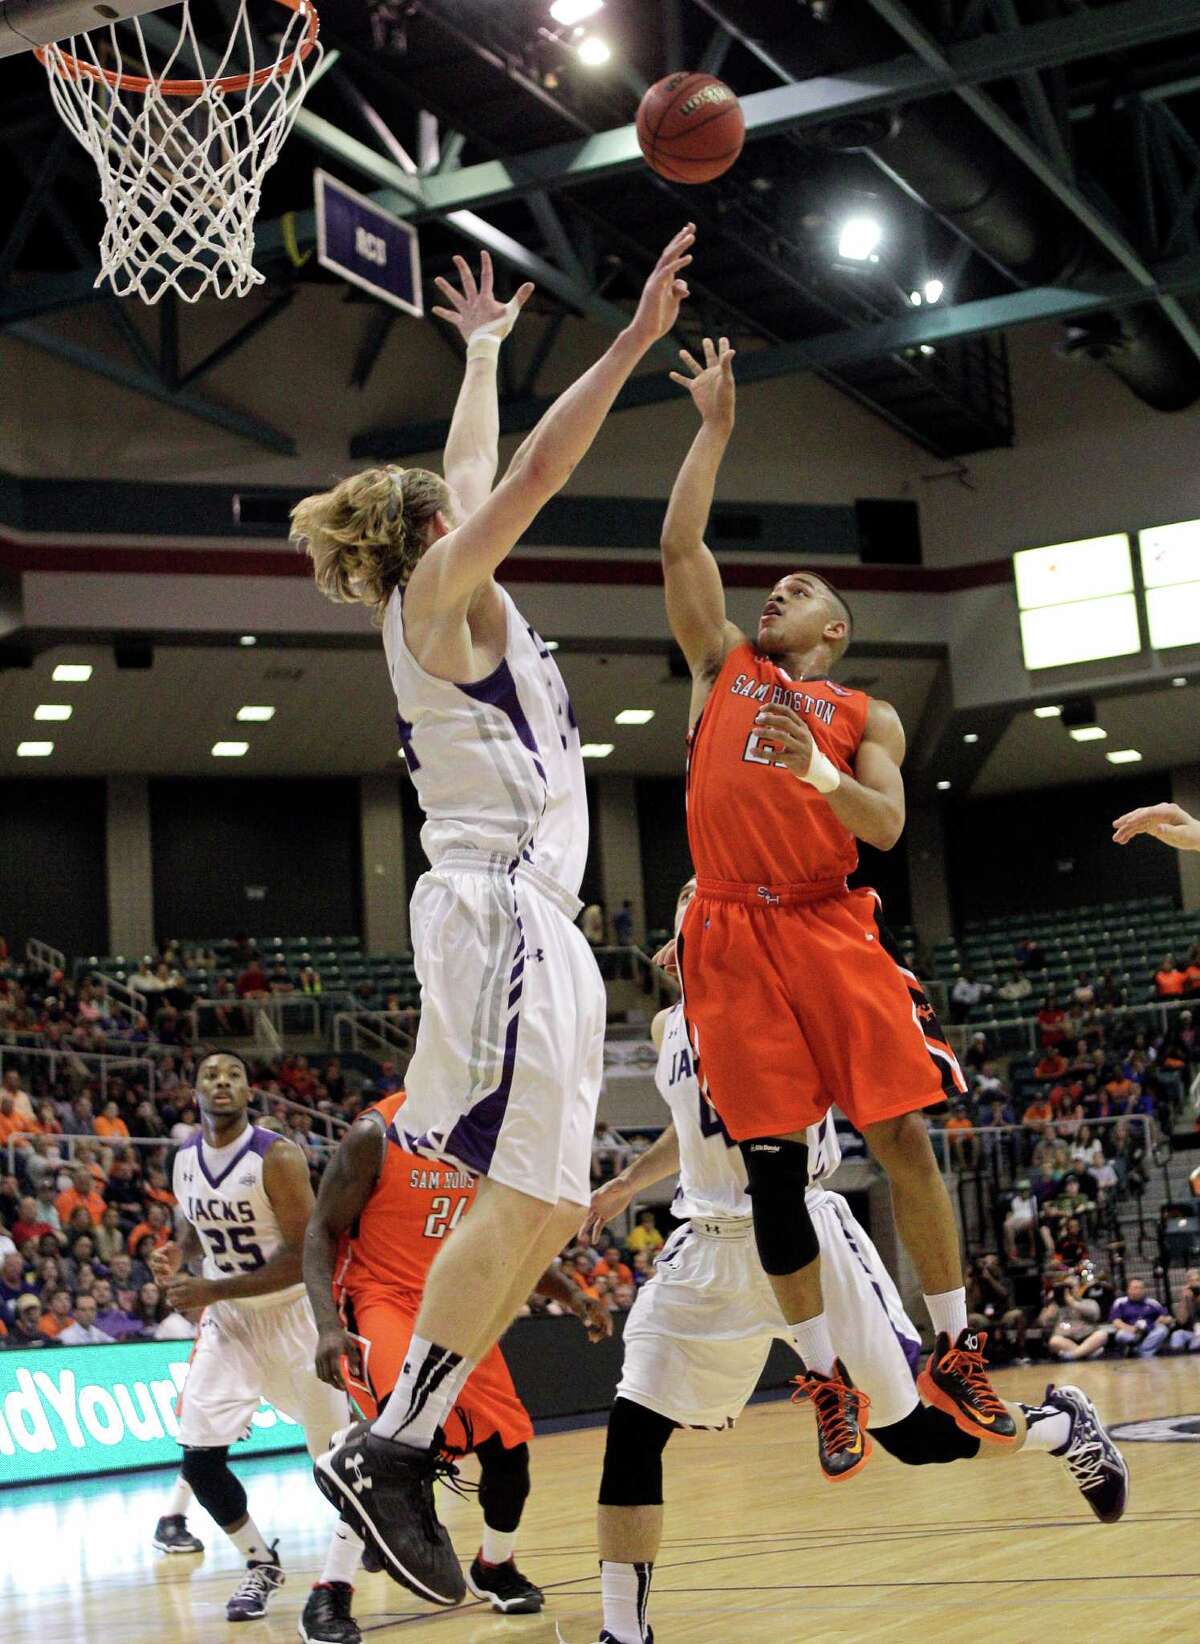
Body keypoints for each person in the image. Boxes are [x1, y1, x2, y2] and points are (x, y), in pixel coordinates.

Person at [291, 229, 696, 1603]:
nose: (463, 504)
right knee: (522, 1191)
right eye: (441, 505)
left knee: (548, 1205)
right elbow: (525, 474)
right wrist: (631, 342)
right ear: (421, 534)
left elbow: (477, 465)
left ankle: (397, 1444)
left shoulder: (457, 588)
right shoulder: (438, 596)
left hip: (533, 924)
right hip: (495, 911)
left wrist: (477, 350)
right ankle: (394, 1446)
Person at [583, 885, 1127, 1644]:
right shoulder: (669, 1022)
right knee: (633, 1427)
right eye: (683, 898)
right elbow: (692, 1125)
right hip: (704, 1246)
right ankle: (623, 1632)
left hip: (808, 1234)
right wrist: (625, 1185)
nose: (694, 905)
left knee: (911, 1437)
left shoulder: (784, 993)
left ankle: (1063, 1430)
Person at [655, 339, 991, 1481]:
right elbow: (680, 544)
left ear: (835, 630)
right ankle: (823, 1375)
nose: (776, 595)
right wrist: (713, 431)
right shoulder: (721, 665)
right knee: (769, 1171)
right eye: (775, 589)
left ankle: (953, 1344)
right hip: (731, 934)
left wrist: (818, 779)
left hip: (825, 919)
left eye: (802, 593)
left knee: (901, 1132)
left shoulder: (865, 711)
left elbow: (886, 830)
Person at [304, 1088, 611, 1624]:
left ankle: (495, 1565)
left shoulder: (492, 1133)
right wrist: (328, 1325)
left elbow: (508, 1241)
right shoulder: (374, 1134)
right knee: (395, 1445)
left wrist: (574, 1295)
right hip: (381, 1298)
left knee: (510, 1449)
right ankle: (330, 1591)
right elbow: (320, 1229)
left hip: (459, 1301)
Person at [148, 1052, 359, 1630]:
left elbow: (308, 1256)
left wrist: (212, 1287)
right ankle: (260, 1563)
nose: (221, 1082)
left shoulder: (277, 1156)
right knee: (198, 1457)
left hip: (295, 1321)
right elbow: (193, 1228)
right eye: (210, 1074)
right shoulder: (184, 1157)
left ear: (248, 1091)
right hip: (232, 1324)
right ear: (193, 1089)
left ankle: (378, 1532)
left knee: (335, 1464)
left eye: (233, 1075)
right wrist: (179, 1254)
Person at [1040, 1273, 1109, 1361]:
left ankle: (1073, 1355)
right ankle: (1087, 1353)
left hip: (1087, 1336)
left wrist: (1073, 1303)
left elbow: (1096, 1315)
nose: (1069, 1291)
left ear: (1078, 1288)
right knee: (1054, 1341)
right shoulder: (1056, 1305)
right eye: (1067, 1288)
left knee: (1102, 1335)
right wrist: (1049, 1306)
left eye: (1072, 1287)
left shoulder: (1088, 1302)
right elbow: (1044, 1323)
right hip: (1066, 1338)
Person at [1109, 1278, 1171, 1358]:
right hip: (1130, 1332)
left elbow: (1167, 1317)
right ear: (1128, 1290)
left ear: (1144, 1290)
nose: (1135, 1291)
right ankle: (1145, 1352)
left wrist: (1161, 1320)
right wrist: (1130, 1329)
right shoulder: (1120, 1302)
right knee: (1121, 1335)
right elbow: (1116, 1321)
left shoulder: (1153, 1303)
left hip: (1149, 1332)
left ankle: (1139, 1352)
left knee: (1163, 1329)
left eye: (1138, 1288)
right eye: (1132, 1288)